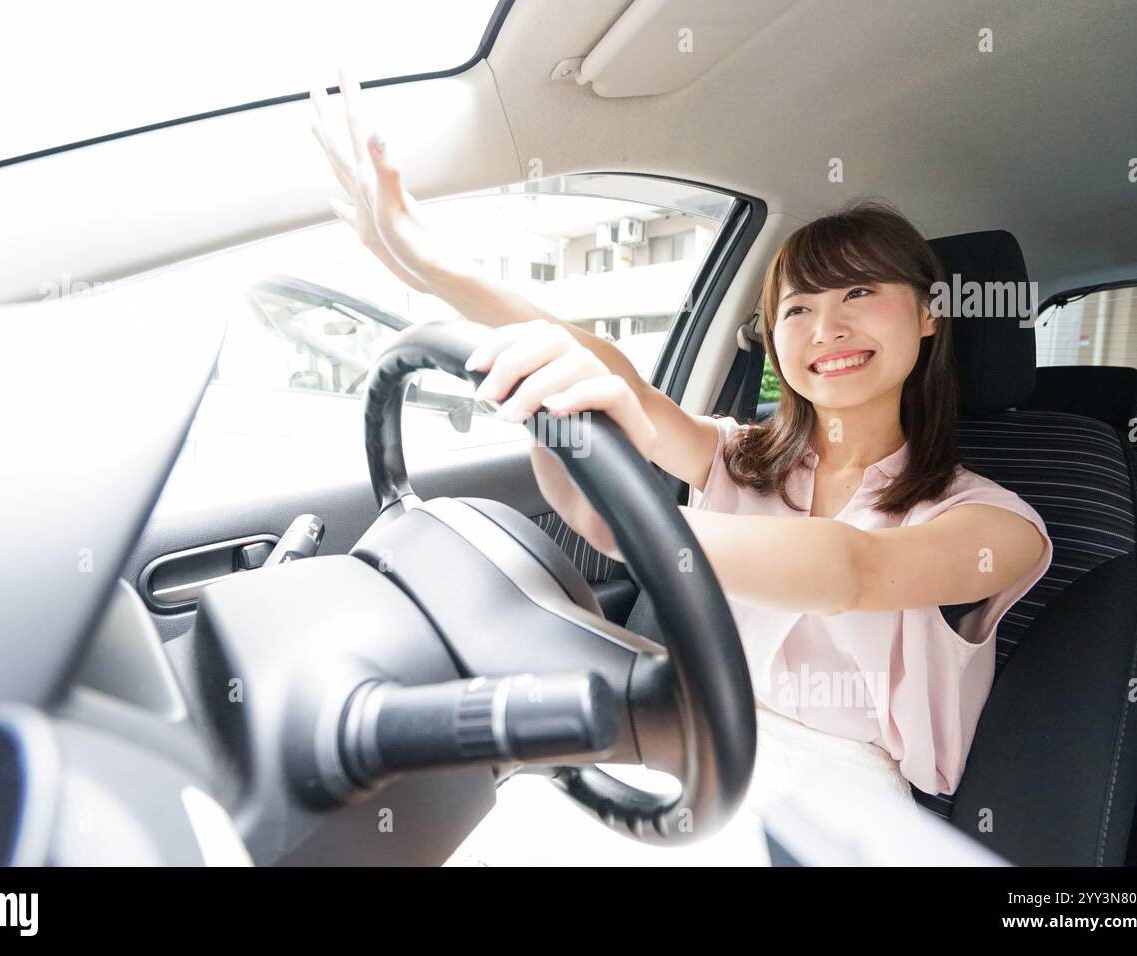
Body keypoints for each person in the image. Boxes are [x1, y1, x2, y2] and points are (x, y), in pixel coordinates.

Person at [310, 69, 1054, 866]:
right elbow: (619, 379)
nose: (825, 328)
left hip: (842, 797)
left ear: (930, 312)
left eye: (860, 292)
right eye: (797, 308)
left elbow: (855, 569)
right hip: (691, 733)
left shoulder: (994, 523)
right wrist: (435, 269)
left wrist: (645, 531)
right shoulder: (743, 456)